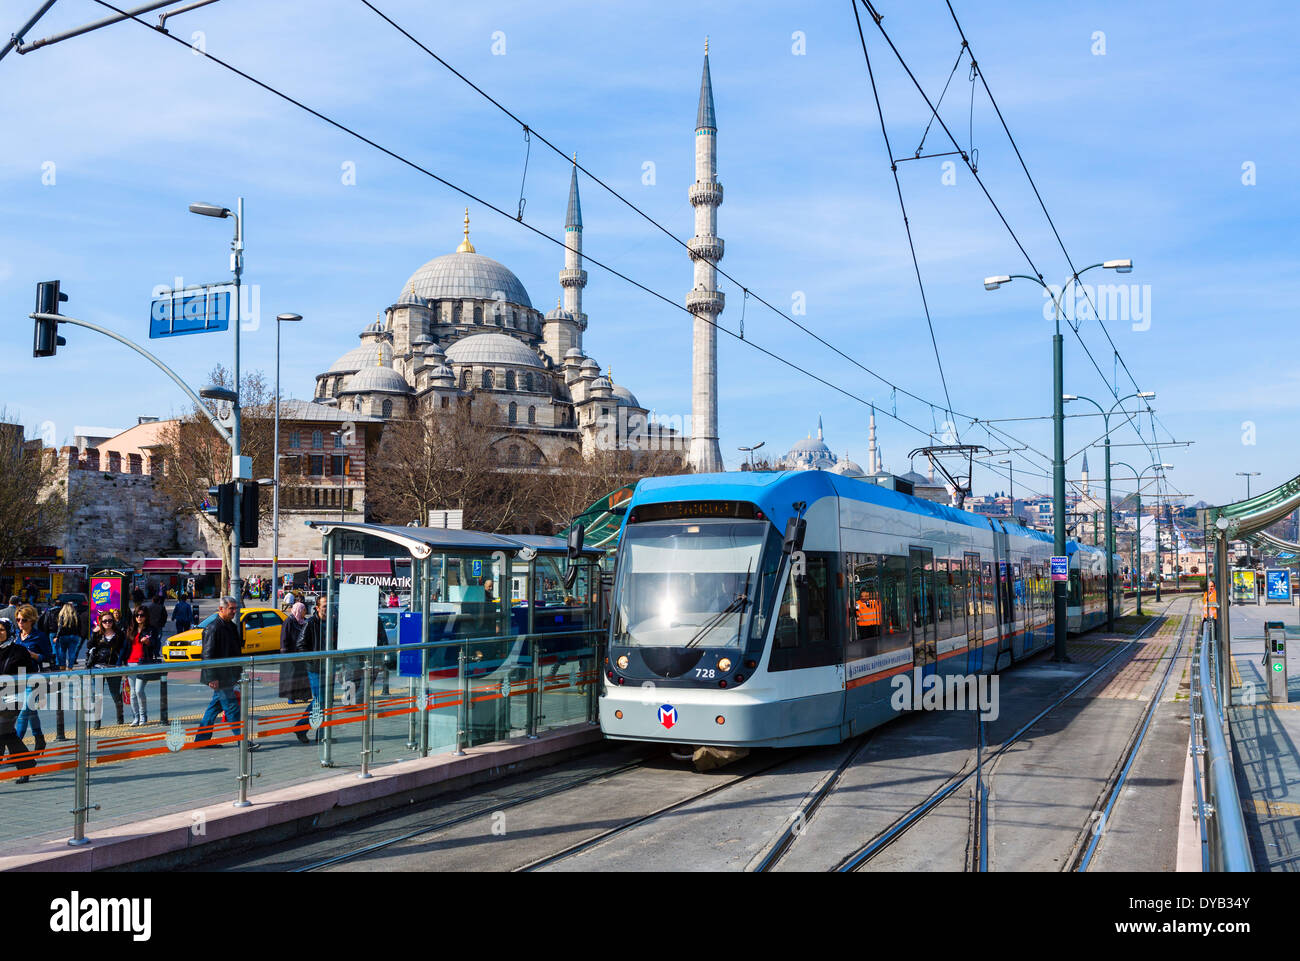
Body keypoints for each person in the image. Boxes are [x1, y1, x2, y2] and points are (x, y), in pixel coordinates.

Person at [194, 596, 245, 747]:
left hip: (228, 675)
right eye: (232, 609)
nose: (235, 611)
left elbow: (235, 651)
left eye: (235, 608)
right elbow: (208, 655)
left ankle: (201, 741)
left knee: (214, 707)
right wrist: (212, 677)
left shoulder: (230, 625)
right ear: (221, 609)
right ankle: (242, 741)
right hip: (220, 677)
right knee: (232, 708)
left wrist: (238, 671)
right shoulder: (213, 627)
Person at [0, 618, 39, 783]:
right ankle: (27, 764)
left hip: (13, 697)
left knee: (3, 731)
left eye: (1, 629)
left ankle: (27, 764)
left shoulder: (19, 651)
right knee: (7, 734)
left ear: (9, 631)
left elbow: (29, 674)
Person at [296, 595, 329, 742]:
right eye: (324, 606)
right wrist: (313, 659)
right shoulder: (311, 623)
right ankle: (304, 729)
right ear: (317, 608)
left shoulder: (331, 622)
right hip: (315, 668)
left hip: (329, 667)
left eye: (329, 605)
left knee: (324, 701)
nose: (327, 609)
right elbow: (300, 645)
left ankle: (319, 734)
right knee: (320, 700)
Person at [86, 610, 127, 727]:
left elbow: (123, 650)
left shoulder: (119, 634)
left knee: (115, 694)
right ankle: (97, 721)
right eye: (105, 621)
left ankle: (120, 717)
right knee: (97, 695)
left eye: (110, 621)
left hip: (114, 667)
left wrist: (121, 664)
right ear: (101, 622)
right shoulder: (97, 634)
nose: (108, 623)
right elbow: (89, 646)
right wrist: (94, 633)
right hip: (98, 667)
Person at [278, 602, 310, 744]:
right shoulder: (289, 621)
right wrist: (285, 652)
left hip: (300, 653)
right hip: (291, 654)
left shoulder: (302, 622)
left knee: (301, 676)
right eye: (303, 610)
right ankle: (291, 696)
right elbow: (284, 638)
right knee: (291, 677)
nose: (305, 612)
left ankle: (302, 695)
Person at [124, 606, 161, 726]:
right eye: (137, 615)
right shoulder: (130, 629)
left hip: (143, 662)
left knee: (139, 690)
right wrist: (122, 663)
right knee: (133, 693)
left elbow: (156, 645)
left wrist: (149, 642)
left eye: (142, 615)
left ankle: (143, 716)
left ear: (146, 616)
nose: (139, 617)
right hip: (130, 663)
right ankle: (136, 717)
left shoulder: (151, 629)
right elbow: (125, 647)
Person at [54, 602, 83, 670]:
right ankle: (70, 667)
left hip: (63, 636)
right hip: (74, 636)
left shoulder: (62, 616)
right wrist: (79, 635)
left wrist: (57, 636)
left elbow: (60, 627)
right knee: (72, 653)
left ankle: (62, 666)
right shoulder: (76, 615)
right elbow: (80, 627)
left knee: (62, 652)